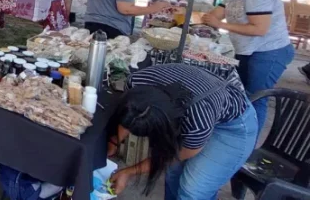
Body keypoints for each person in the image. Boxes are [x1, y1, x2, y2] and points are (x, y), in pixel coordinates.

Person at [108, 64, 256, 200]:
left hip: (233, 126)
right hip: (206, 104)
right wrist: (114, 141)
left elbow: (174, 156)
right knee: (173, 176)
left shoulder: (198, 119)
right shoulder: (136, 83)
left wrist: (128, 172)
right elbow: (130, 115)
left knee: (193, 189)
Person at [201, 0, 294, 132]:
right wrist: (191, 13)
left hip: (269, 51)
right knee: (241, 93)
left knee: (256, 97)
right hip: (246, 51)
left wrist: (221, 25)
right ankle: (238, 132)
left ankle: (248, 142)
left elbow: (259, 29)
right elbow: (213, 16)